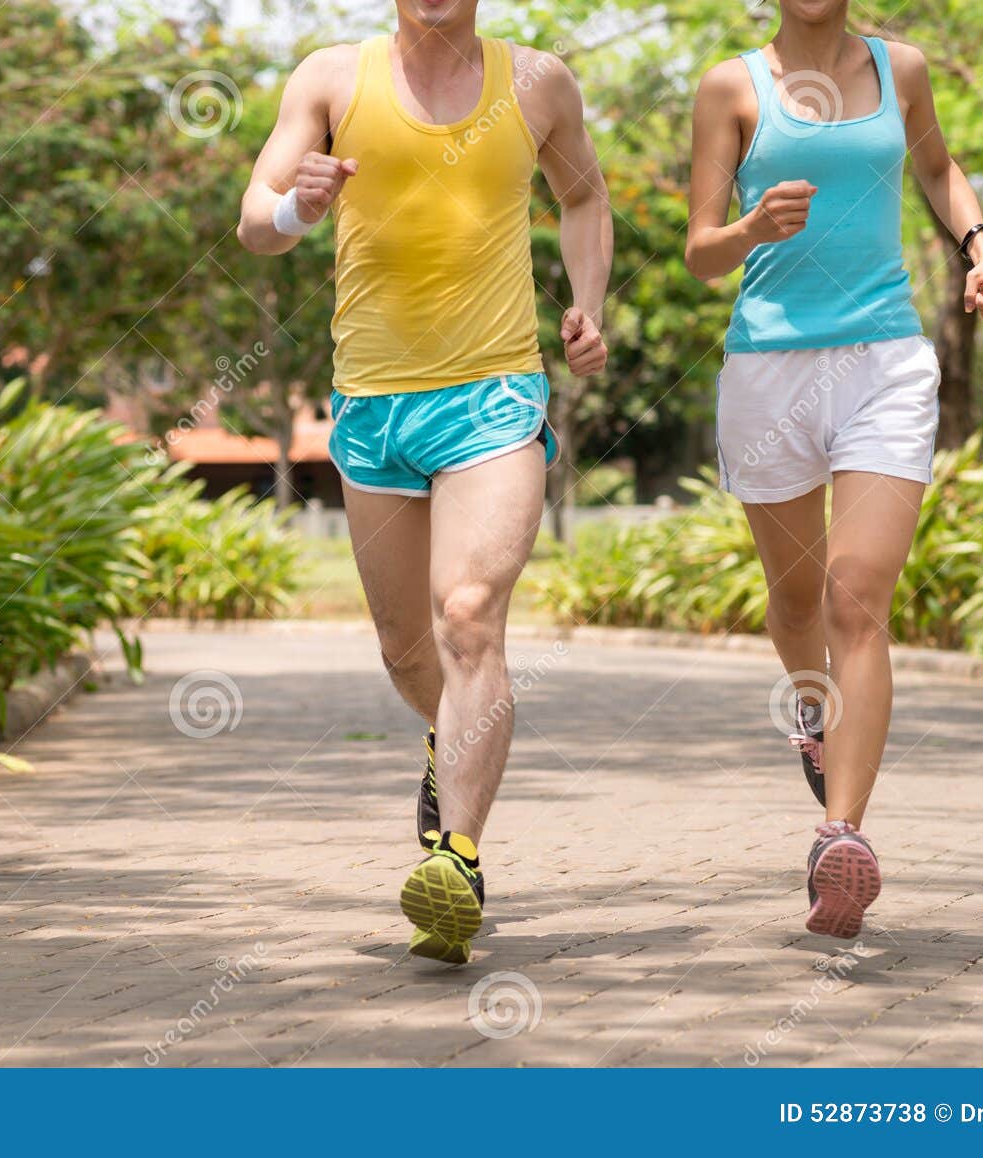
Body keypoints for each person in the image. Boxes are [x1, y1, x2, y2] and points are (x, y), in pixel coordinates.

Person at [238, 0, 611, 963]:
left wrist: (586, 304)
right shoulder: (329, 78)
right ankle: (447, 745)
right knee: (409, 652)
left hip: (494, 394)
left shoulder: (537, 82)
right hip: (371, 406)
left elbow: (583, 198)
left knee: (469, 614)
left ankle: (459, 861)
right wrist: (298, 205)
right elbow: (255, 226)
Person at [686, 0, 983, 938]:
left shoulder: (901, 67)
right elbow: (699, 251)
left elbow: (940, 168)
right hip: (769, 368)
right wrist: (749, 228)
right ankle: (812, 719)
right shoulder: (729, 87)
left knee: (855, 596)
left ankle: (842, 840)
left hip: (885, 359)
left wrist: (979, 250)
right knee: (794, 604)